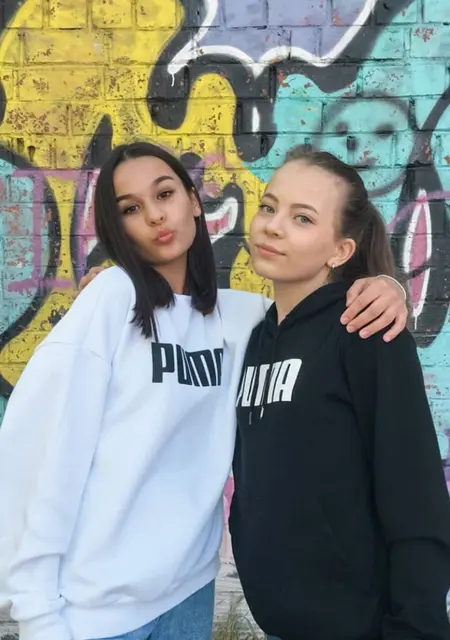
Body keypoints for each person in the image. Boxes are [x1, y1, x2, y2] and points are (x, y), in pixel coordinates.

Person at [0, 141, 407, 640]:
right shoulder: (111, 299)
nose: (155, 216)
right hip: (95, 608)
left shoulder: (242, 319)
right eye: (130, 209)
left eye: (164, 194)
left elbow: (311, 313)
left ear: (193, 201)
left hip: (189, 595)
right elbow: (43, 452)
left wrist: (389, 287)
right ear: (116, 227)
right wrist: (36, 611)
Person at [230, 148, 450, 640]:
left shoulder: (366, 333)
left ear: (340, 251)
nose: (273, 227)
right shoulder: (254, 336)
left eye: (302, 218)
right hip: (281, 624)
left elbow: (415, 497)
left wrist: (416, 628)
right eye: (269, 207)